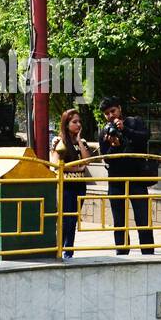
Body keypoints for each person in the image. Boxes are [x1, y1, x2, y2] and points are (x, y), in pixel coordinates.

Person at [98, 96, 155, 256]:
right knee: (119, 221)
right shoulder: (105, 132)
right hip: (116, 181)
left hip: (137, 179)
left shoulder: (134, 122)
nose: (111, 115)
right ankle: (122, 254)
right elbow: (106, 158)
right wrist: (114, 146)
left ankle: (148, 254)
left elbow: (144, 137)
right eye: (107, 113)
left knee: (143, 219)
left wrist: (125, 130)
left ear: (120, 109)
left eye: (113, 111)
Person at [51, 108, 93, 260]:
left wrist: (80, 141)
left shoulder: (82, 142)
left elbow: (87, 160)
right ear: (66, 123)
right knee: (66, 219)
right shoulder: (59, 141)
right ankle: (61, 249)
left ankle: (68, 251)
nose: (78, 124)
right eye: (74, 122)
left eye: (79, 121)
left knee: (73, 218)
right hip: (66, 185)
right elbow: (55, 163)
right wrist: (76, 167)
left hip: (80, 184)